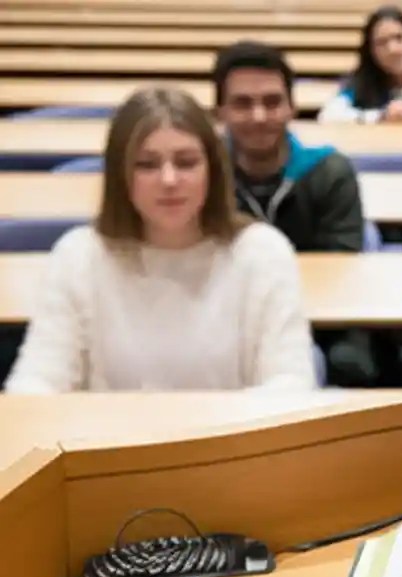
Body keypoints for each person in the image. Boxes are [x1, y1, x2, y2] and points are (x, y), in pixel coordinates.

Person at [4, 86, 316, 394]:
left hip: (233, 443)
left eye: (186, 162)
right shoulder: (78, 256)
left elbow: (290, 383)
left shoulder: (263, 253)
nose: (169, 180)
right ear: (121, 174)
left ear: (213, 170)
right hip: (109, 442)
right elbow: (37, 381)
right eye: (147, 164)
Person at [214, 40, 381, 386]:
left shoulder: (330, 171)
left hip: (321, 317)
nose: (259, 116)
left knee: (351, 363)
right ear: (220, 112)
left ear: (292, 108)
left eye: (272, 102)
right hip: (225, 316)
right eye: (242, 104)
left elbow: (342, 270)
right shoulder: (203, 177)